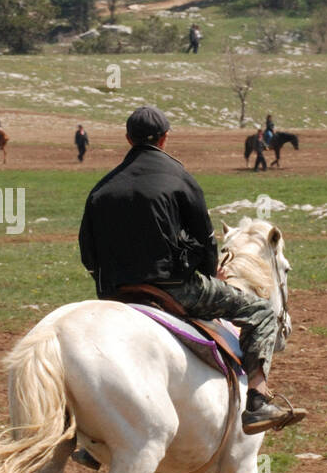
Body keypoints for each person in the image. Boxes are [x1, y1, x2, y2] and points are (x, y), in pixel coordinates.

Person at [78, 106, 306, 440]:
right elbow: (205, 240)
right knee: (259, 311)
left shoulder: (101, 188)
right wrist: (207, 274)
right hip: (174, 288)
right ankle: (257, 399)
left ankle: (91, 434)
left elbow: (88, 255)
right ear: (165, 138)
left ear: (128, 139)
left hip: (116, 291)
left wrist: (113, 280)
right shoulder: (179, 178)